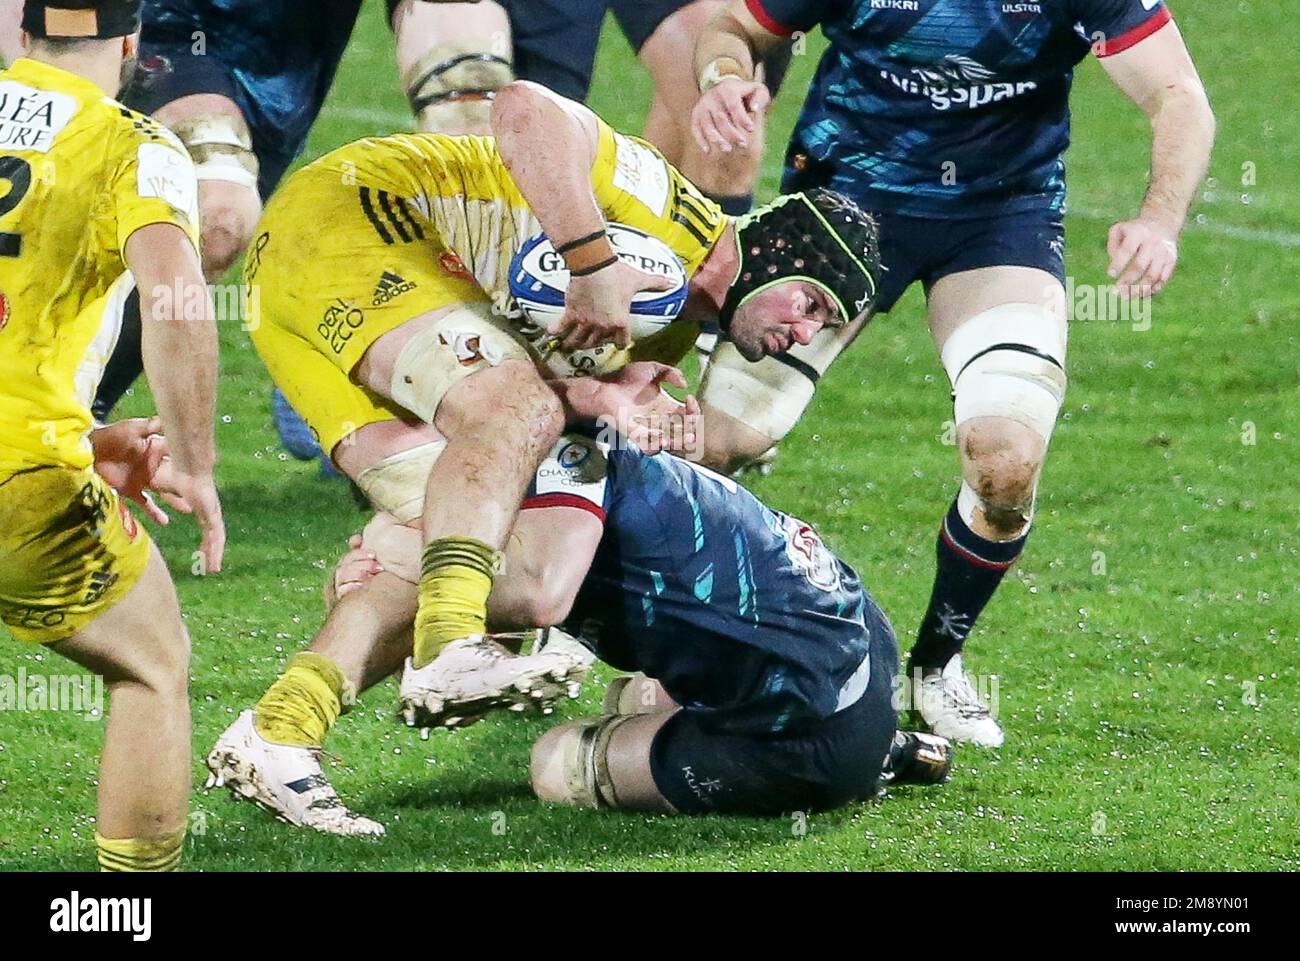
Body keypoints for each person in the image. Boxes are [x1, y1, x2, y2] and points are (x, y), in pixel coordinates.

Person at [239, 78, 881, 733]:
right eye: (811, 304)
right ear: (774, 255)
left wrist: (619, 411)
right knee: (509, 426)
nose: (803, 335)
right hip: (355, 215)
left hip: (310, 289)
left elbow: (529, 420)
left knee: (504, 561)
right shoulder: (670, 211)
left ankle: (285, 729)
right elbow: (522, 108)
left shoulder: (676, 329)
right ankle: (452, 644)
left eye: (822, 326)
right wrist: (593, 263)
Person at [687, 0, 1215, 746]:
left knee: (1007, 463)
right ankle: (657, 645)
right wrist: (723, 77)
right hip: (842, 208)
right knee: (712, 443)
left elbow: (1178, 94)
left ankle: (936, 666)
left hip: (1001, 220)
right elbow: (734, 26)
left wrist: (1160, 218)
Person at [209, 422, 953, 828]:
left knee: (557, 762)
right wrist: (392, 553)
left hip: (813, 734)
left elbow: (535, 596)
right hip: (851, 629)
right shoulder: (549, 430)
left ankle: (880, 755)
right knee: (630, 695)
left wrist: (401, 569)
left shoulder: (568, 458)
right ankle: (280, 733)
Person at [0, 0, 224, 870]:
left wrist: (88, 437)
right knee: (152, 665)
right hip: (19, 478)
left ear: (22, 33)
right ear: (132, 43)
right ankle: (126, 912)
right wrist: (195, 461)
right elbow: (174, 293)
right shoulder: (135, 144)